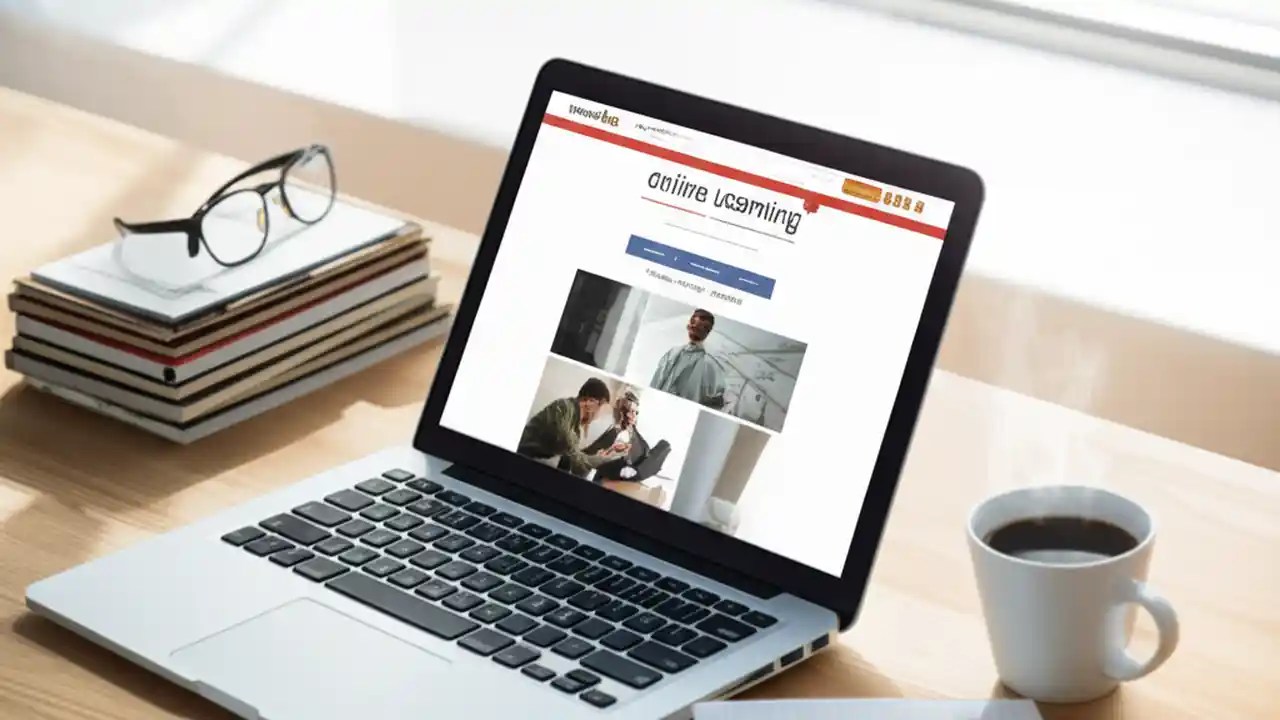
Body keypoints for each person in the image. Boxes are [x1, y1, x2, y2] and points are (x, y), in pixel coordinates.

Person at [517, 378, 625, 477]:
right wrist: (601, 459)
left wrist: (596, 458)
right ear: (590, 401)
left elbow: (575, 463)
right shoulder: (563, 407)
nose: (599, 415)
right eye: (601, 407)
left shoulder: (574, 422)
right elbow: (576, 461)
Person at [581, 391, 669, 483]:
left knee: (664, 446)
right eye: (629, 411)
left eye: (635, 412)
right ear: (621, 412)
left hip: (633, 472)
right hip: (612, 478)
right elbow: (594, 458)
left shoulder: (633, 430)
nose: (633, 415)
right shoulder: (614, 434)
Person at [649, 308, 726, 408]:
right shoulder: (673, 353)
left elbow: (716, 401)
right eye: (693, 322)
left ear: (707, 331)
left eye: (701, 326)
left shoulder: (710, 365)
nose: (694, 326)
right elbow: (656, 380)